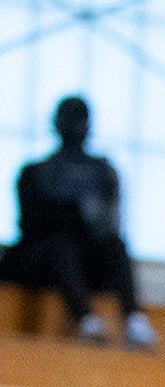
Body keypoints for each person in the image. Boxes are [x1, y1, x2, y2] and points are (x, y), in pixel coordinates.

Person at [0, 97, 156, 350]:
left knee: (114, 245)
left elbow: (109, 224)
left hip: (87, 262)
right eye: (69, 120)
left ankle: (135, 321)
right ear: (56, 124)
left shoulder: (102, 171)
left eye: (80, 120)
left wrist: (80, 221)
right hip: (45, 260)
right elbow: (28, 225)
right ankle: (86, 321)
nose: (75, 127)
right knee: (63, 245)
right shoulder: (34, 172)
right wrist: (68, 216)